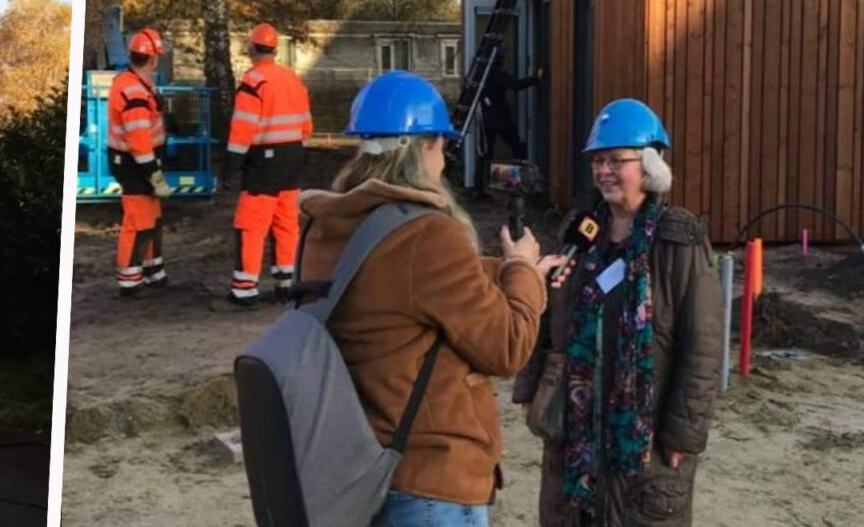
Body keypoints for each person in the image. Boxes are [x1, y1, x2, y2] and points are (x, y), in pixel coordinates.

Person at [296, 70, 562, 526]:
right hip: (431, 481)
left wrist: (504, 270)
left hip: (361, 467)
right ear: (422, 149)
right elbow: (507, 347)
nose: (443, 165)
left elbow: (400, 291)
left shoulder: (327, 227)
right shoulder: (427, 235)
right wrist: (522, 272)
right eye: (442, 148)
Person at [511, 99, 721, 527]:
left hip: (646, 439)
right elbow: (549, 313)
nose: (604, 171)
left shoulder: (677, 240)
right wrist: (530, 387)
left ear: (649, 165)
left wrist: (684, 432)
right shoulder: (581, 230)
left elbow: (703, 343)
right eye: (597, 161)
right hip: (575, 432)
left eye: (615, 161)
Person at [218, 22, 313, 310]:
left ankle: (244, 289)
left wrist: (231, 165)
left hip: (264, 162)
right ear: (275, 49)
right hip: (293, 157)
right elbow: (306, 126)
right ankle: (287, 282)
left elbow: (242, 129)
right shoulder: (292, 79)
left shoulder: (253, 81)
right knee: (286, 222)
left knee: (251, 224)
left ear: (251, 49)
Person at [105, 27, 175, 298]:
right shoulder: (133, 90)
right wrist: (154, 174)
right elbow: (139, 141)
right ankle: (129, 279)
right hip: (135, 163)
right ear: (153, 59)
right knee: (138, 220)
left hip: (136, 161)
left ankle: (152, 268)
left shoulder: (135, 82)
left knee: (152, 217)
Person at [475, 45, 543, 195]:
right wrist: (535, 79)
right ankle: (515, 184)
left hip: (486, 119)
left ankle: (479, 189)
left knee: (486, 154)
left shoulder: (481, 73)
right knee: (519, 147)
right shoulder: (496, 73)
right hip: (499, 118)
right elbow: (515, 84)